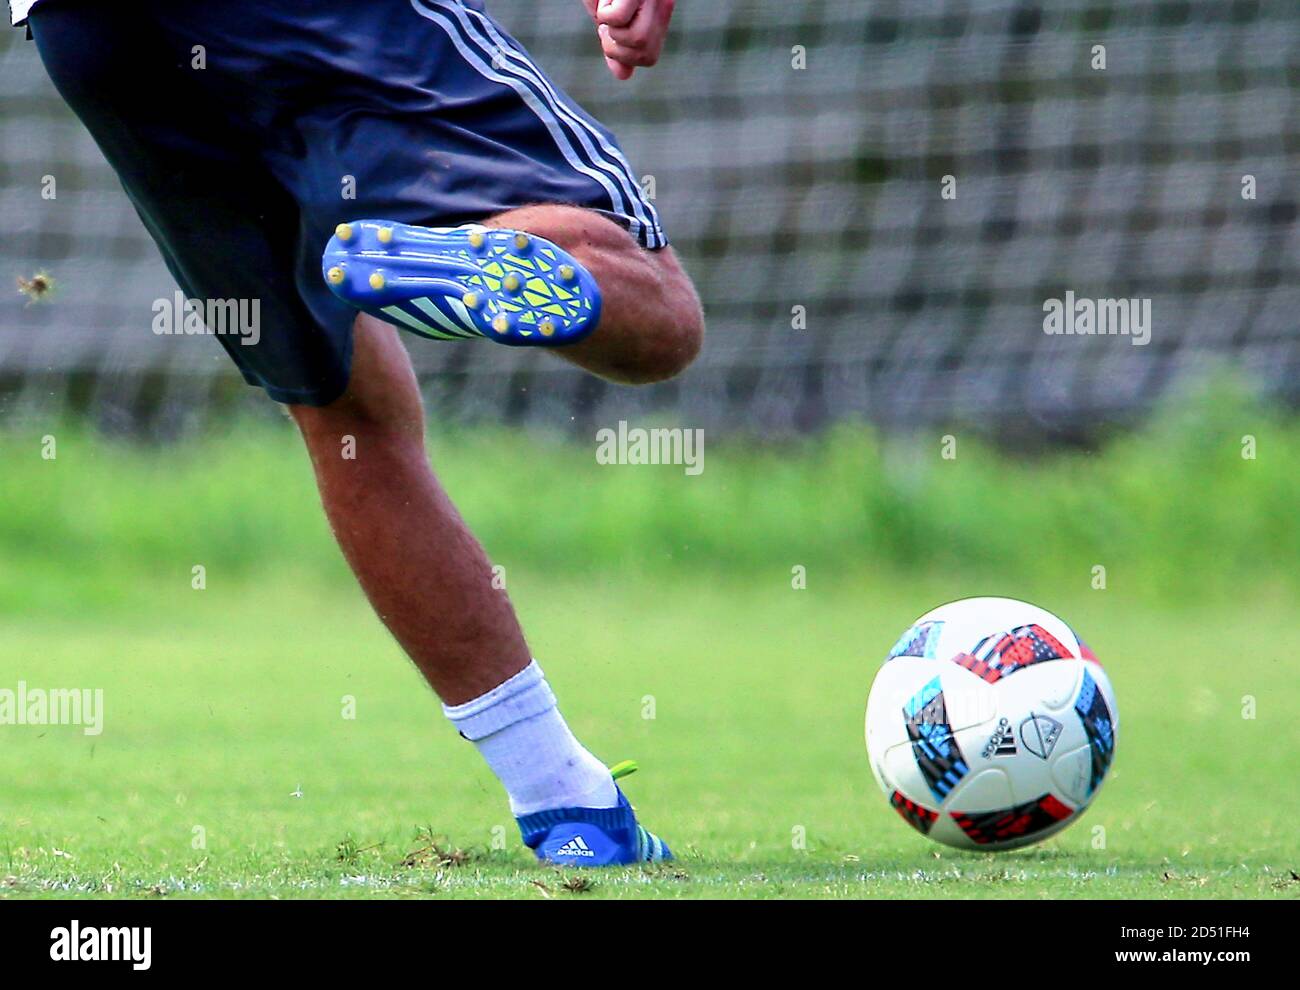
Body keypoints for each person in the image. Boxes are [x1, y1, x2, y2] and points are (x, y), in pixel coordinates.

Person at [18, 0, 703, 866]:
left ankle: (568, 805)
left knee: (342, 409)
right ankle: (479, 254)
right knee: (661, 311)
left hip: (90, 32)